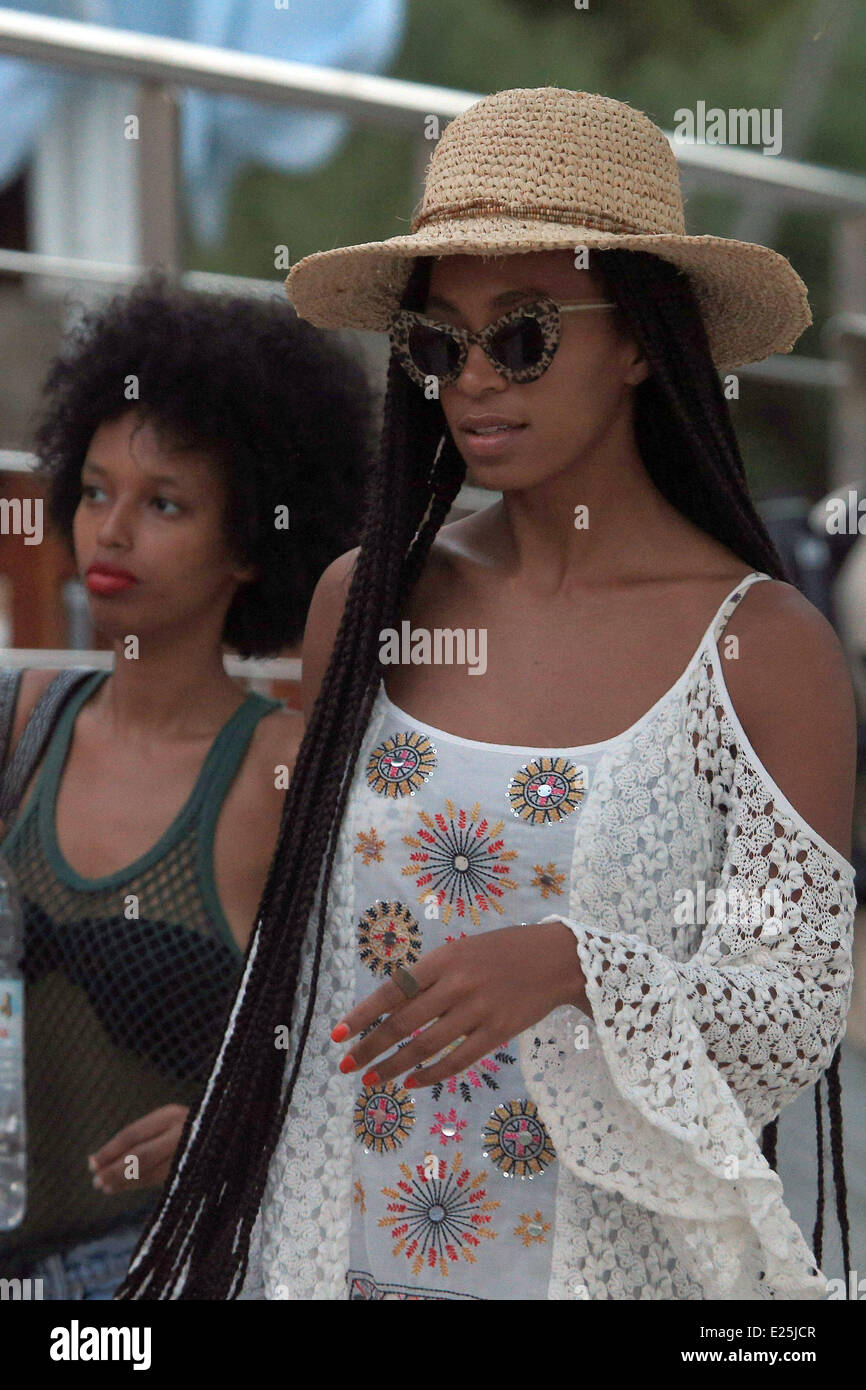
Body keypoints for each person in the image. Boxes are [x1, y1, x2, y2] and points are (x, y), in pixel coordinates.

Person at [117, 89, 856, 1302]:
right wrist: (221, 1113)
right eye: (435, 341)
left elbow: (785, 1018)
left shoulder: (760, 651)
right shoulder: (366, 606)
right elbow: (308, 950)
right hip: (332, 1258)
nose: (469, 378)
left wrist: (576, 964)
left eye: (522, 332)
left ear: (635, 337)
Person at [0, 272, 373, 1297]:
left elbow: (360, 1038)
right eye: (94, 490)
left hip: (162, 1269)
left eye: (163, 503)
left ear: (251, 544)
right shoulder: (21, 719)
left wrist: (232, 1124)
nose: (111, 531)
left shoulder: (280, 771)